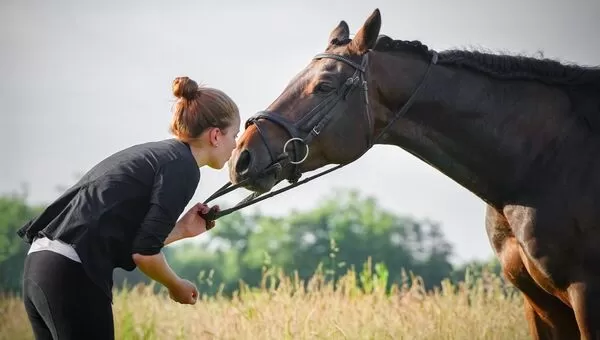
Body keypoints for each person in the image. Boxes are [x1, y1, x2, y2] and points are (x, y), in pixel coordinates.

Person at [16, 76, 241, 340]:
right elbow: (144, 255)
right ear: (216, 135)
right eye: (234, 135)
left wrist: (180, 230)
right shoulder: (184, 167)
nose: (236, 145)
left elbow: (135, 243)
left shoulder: (160, 154)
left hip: (40, 266)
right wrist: (176, 285)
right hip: (71, 274)